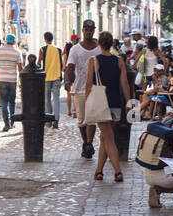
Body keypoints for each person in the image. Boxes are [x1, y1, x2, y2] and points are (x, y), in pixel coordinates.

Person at [85, 31, 130, 181]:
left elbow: (88, 84)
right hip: (115, 102)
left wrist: (87, 102)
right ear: (112, 44)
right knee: (105, 136)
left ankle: (118, 171)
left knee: (108, 137)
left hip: (101, 102)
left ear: (99, 44)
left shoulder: (94, 60)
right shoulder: (119, 61)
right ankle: (99, 170)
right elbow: (124, 84)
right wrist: (128, 102)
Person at [63, 20, 101, 159]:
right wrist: (67, 80)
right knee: (81, 120)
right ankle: (85, 142)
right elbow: (70, 67)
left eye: (91, 29)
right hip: (79, 88)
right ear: (83, 30)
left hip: (95, 88)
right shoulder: (75, 49)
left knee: (92, 119)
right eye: (86, 29)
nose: (89, 32)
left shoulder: (99, 48)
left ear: (94, 31)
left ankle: (90, 143)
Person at [0, 33, 24, 131]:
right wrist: (21, 81)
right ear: (13, 41)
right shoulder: (17, 51)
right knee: (12, 101)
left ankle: (6, 122)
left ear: (6, 41)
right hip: (12, 79)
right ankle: (12, 121)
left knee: (4, 102)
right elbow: (20, 68)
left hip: (2, 79)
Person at [38, 31, 64, 130]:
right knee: (56, 99)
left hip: (46, 77)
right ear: (52, 39)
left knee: (47, 98)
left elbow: (39, 63)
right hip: (57, 76)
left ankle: (49, 120)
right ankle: (56, 120)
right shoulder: (58, 50)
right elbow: (61, 63)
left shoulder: (42, 49)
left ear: (45, 39)